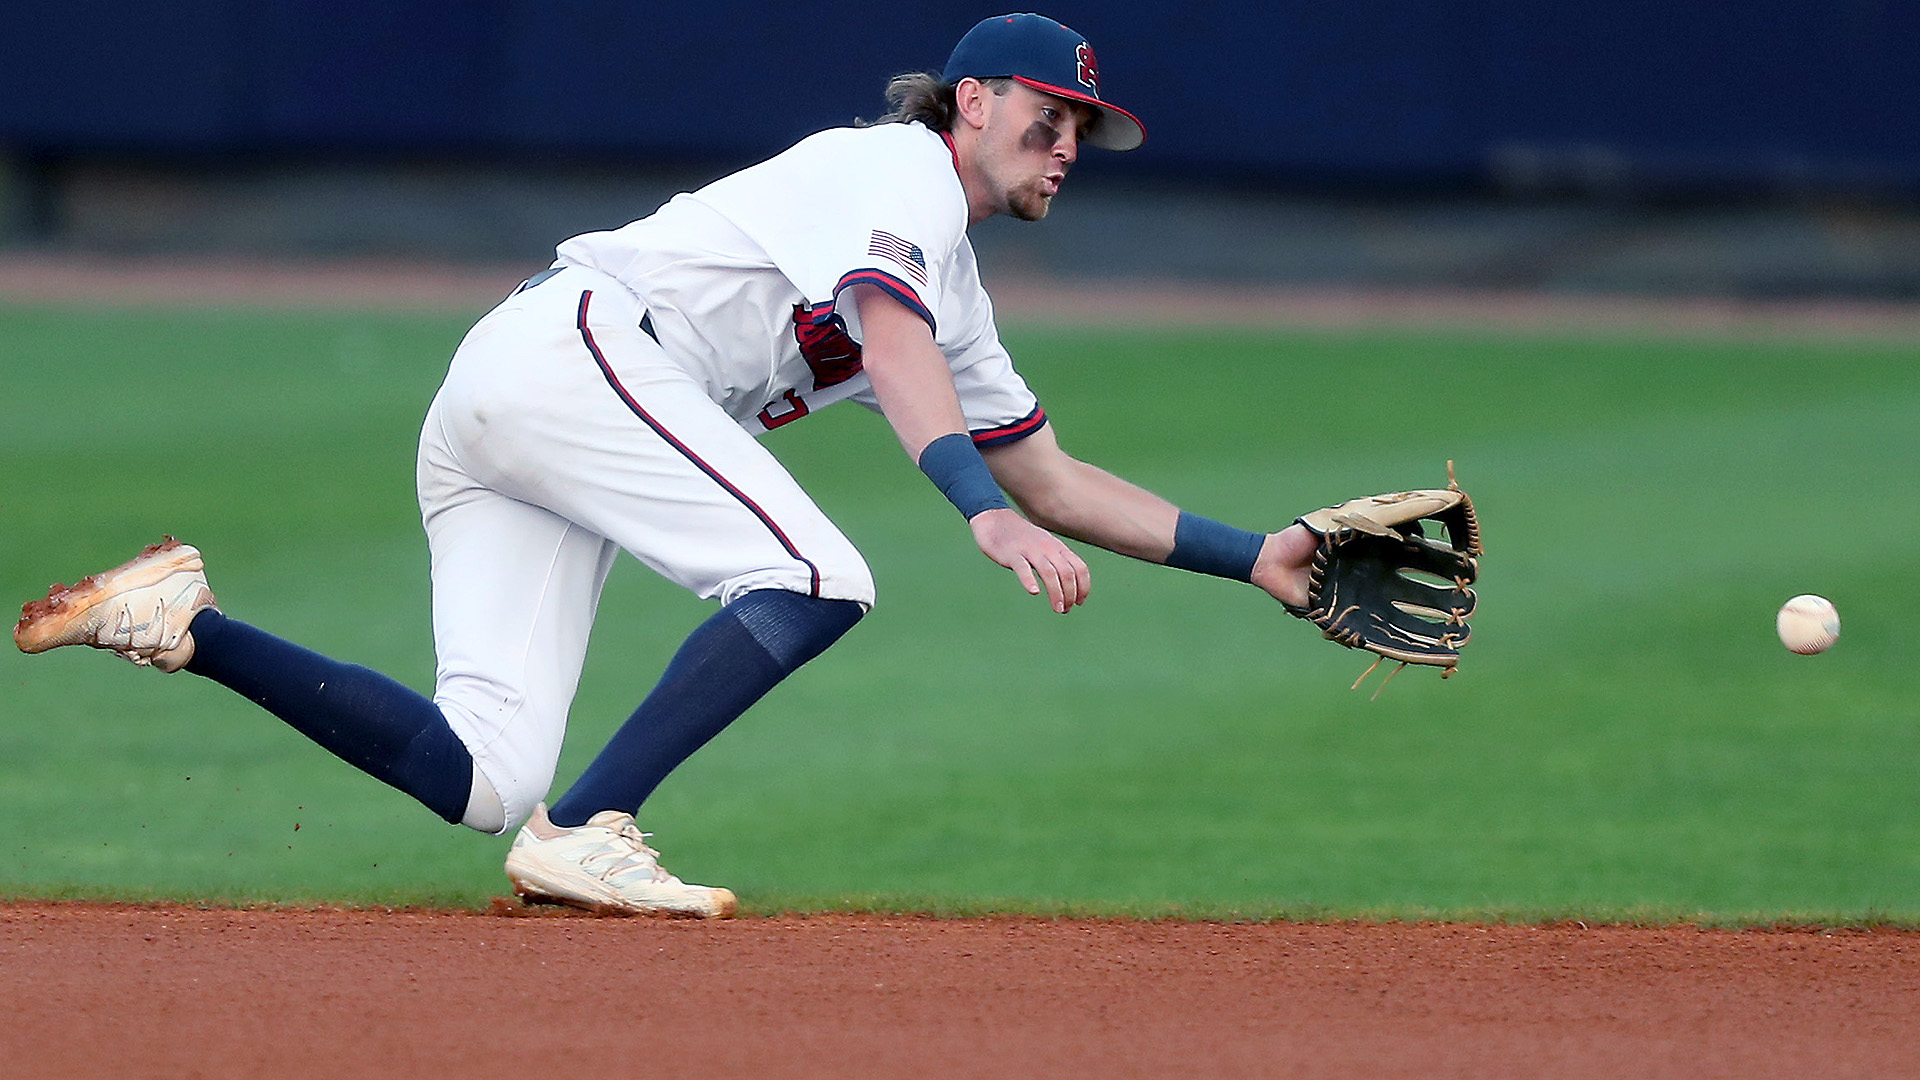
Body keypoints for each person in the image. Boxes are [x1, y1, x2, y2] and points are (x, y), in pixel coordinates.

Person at [14, 13, 1318, 918]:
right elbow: (899, 352)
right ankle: (590, 831)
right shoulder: (897, 170)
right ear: (973, 102)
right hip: (576, 354)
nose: (1068, 147)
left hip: (525, 398)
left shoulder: (954, 283)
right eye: (1049, 117)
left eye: (1083, 130)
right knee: (817, 574)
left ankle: (185, 621)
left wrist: (1252, 555)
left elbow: (1054, 480)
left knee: (482, 778)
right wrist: (969, 510)